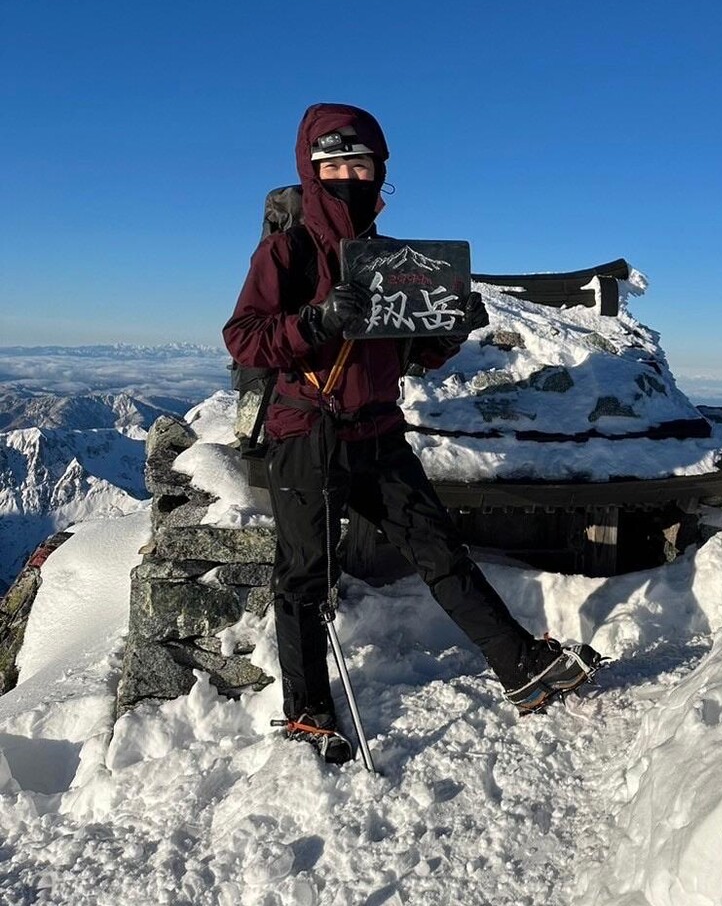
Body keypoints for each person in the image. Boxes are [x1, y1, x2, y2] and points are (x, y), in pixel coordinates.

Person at [224, 102, 597, 763]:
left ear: (379, 172)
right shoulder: (286, 251)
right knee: (305, 577)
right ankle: (307, 711)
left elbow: (413, 355)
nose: (348, 177)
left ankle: (518, 665)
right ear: (311, 174)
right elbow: (245, 336)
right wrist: (314, 322)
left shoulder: (398, 261)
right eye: (333, 165)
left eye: (360, 165)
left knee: (440, 551)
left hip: (377, 430)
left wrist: (449, 329)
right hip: (305, 429)